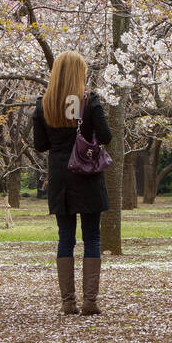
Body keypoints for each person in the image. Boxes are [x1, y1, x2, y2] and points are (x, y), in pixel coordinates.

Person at [33, 50, 112, 314]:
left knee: (65, 237)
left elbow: (40, 144)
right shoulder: (89, 101)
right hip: (87, 173)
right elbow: (106, 135)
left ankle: (68, 302)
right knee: (92, 236)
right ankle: (90, 301)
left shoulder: (43, 104)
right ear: (80, 73)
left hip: (60, 176)